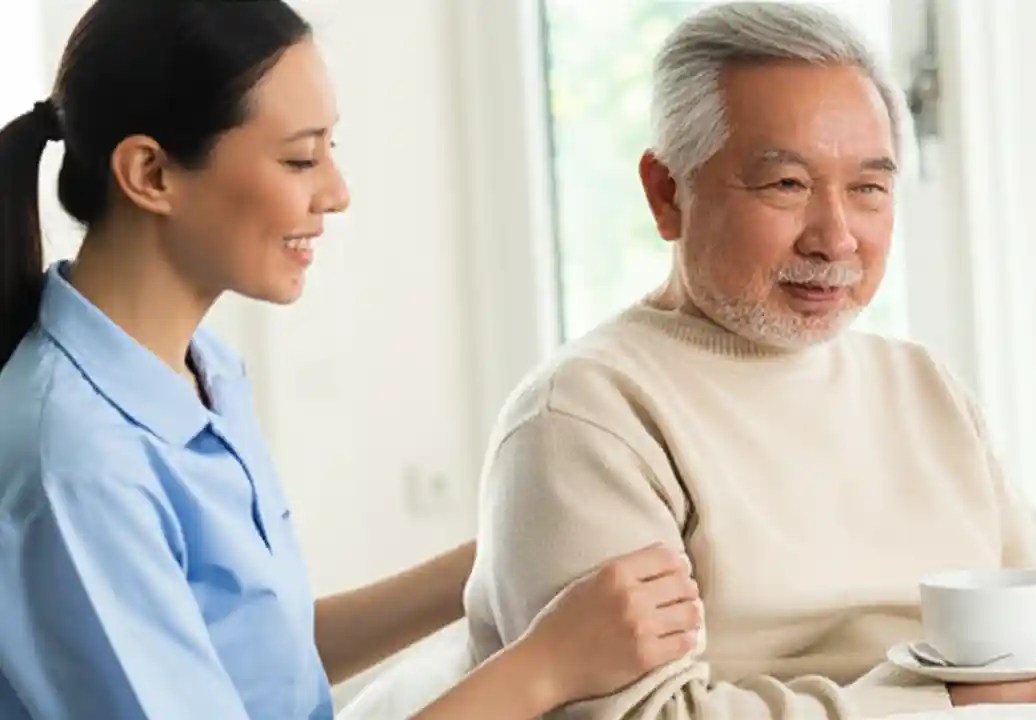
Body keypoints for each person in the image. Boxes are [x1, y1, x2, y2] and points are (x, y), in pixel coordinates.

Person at [0, 1, 702, 719]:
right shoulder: (75, 461)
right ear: (151, 173)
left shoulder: (200, 373)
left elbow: (258, 660)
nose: (337, 194)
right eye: (301, 159)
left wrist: (502, 558)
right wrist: (548, 666)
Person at [463, 3, 1036, 718]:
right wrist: (939, 704)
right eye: (786, 185)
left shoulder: (920, 384)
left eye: (868, 189)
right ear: (668, 194)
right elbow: (645, 716)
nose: (836, 238)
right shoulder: (589, 414)